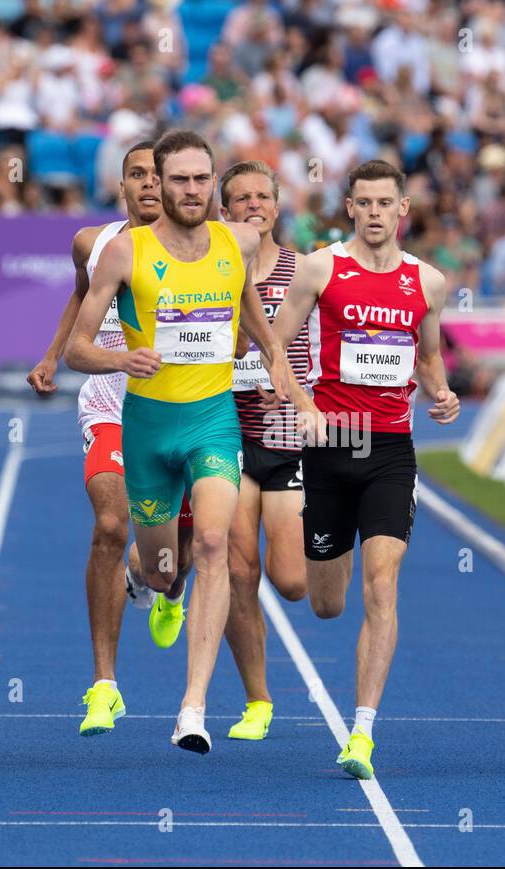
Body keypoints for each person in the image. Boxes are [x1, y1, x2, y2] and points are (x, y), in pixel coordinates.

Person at [64, 130, 319, 754]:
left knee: (213, 544)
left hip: (212, 422)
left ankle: (193, 707)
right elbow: (77, 346)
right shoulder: (126, 252)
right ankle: (155, 583)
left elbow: (259, 324)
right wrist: (121, 362)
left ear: (213, 184)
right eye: (176, 179)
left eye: (200, 179)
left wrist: (291, 383)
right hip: (147, 428)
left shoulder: (235, 244)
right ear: (159, 182)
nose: (188, 190)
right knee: (159, 567)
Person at [272, 159, 460, 779]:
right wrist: (302, 406)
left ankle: (361, 733)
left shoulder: (427, 282)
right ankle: (331, 561)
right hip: (330, 443)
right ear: (349, 207)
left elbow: (428, 360)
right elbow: (274, 348)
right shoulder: (320, 268)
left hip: (389, 450)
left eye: (386, 202)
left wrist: (442, 393)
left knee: (384, 583)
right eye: (365, 203)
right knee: (327, 602)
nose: (376, 212)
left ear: (403, 209)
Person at [25, 141, 195, 736]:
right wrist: (52, 355)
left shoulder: (207, 245)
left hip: (182, 411)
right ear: (120, 185)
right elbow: (83, 293)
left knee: (172, 557)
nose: (150, 183)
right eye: (137, 174)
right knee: (110, 526)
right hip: (110, 405)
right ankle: (104, 685)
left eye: (159, 174)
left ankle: (168, 588)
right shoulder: (91, 243)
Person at [217, 160, 310, 742]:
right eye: (240, 198)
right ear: (224, 212)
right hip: (227, 432)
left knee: (293, 581)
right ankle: (258, 700)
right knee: (236, 569)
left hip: (288, 440)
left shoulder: (308, 270)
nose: (253, 205)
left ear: (277, 207)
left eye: (262, 197)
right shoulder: (208, 272)